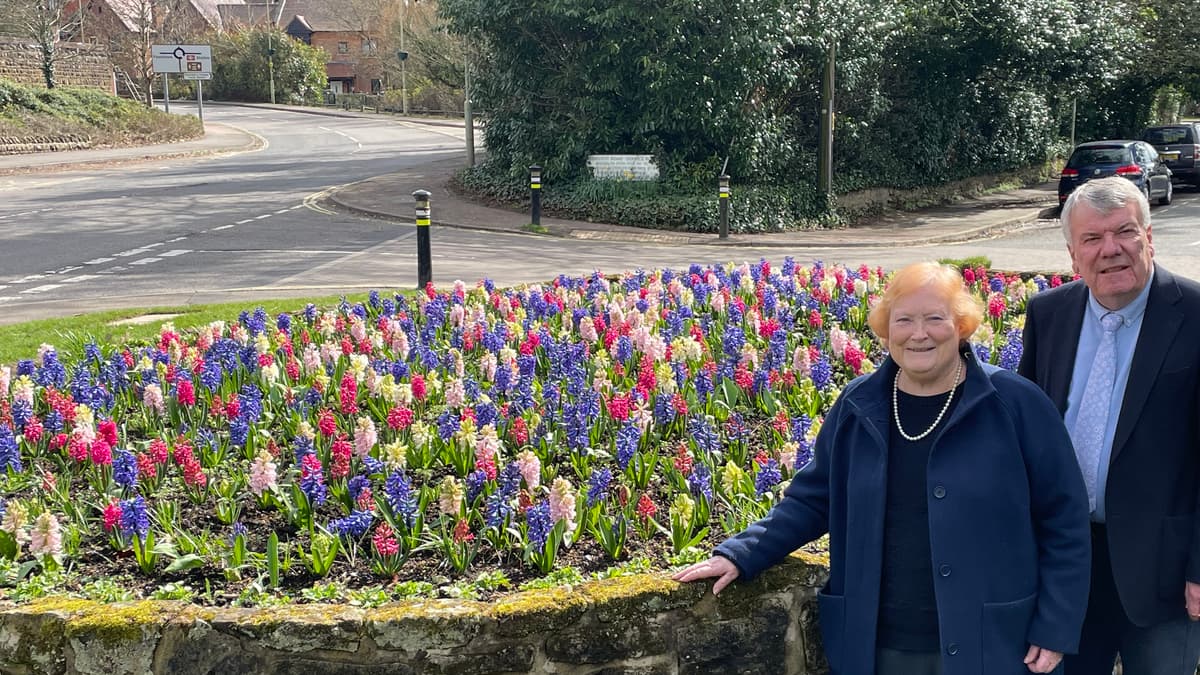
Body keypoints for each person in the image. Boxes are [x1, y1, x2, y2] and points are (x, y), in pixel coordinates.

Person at [674, 262, 1091, 675]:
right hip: (879, 645)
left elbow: (1064, 521)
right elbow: (813, 499)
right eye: (904, 320)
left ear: (961, 325)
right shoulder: (860, 403)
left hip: (994, 643)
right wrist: (742, 553)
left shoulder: (1016, 404)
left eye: (935, 318)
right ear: (886, 329)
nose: (919, 333)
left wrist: (1055, 626)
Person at [1018, 176, 1200, 674]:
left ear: (1148, 237)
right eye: (1092, 239)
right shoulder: (1048, 314)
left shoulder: (1196, 314)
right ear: (1072, 254)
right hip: (1064, 562)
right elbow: (1025, 438)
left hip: (1163, 567)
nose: (1110, 250)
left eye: (1124, 232)